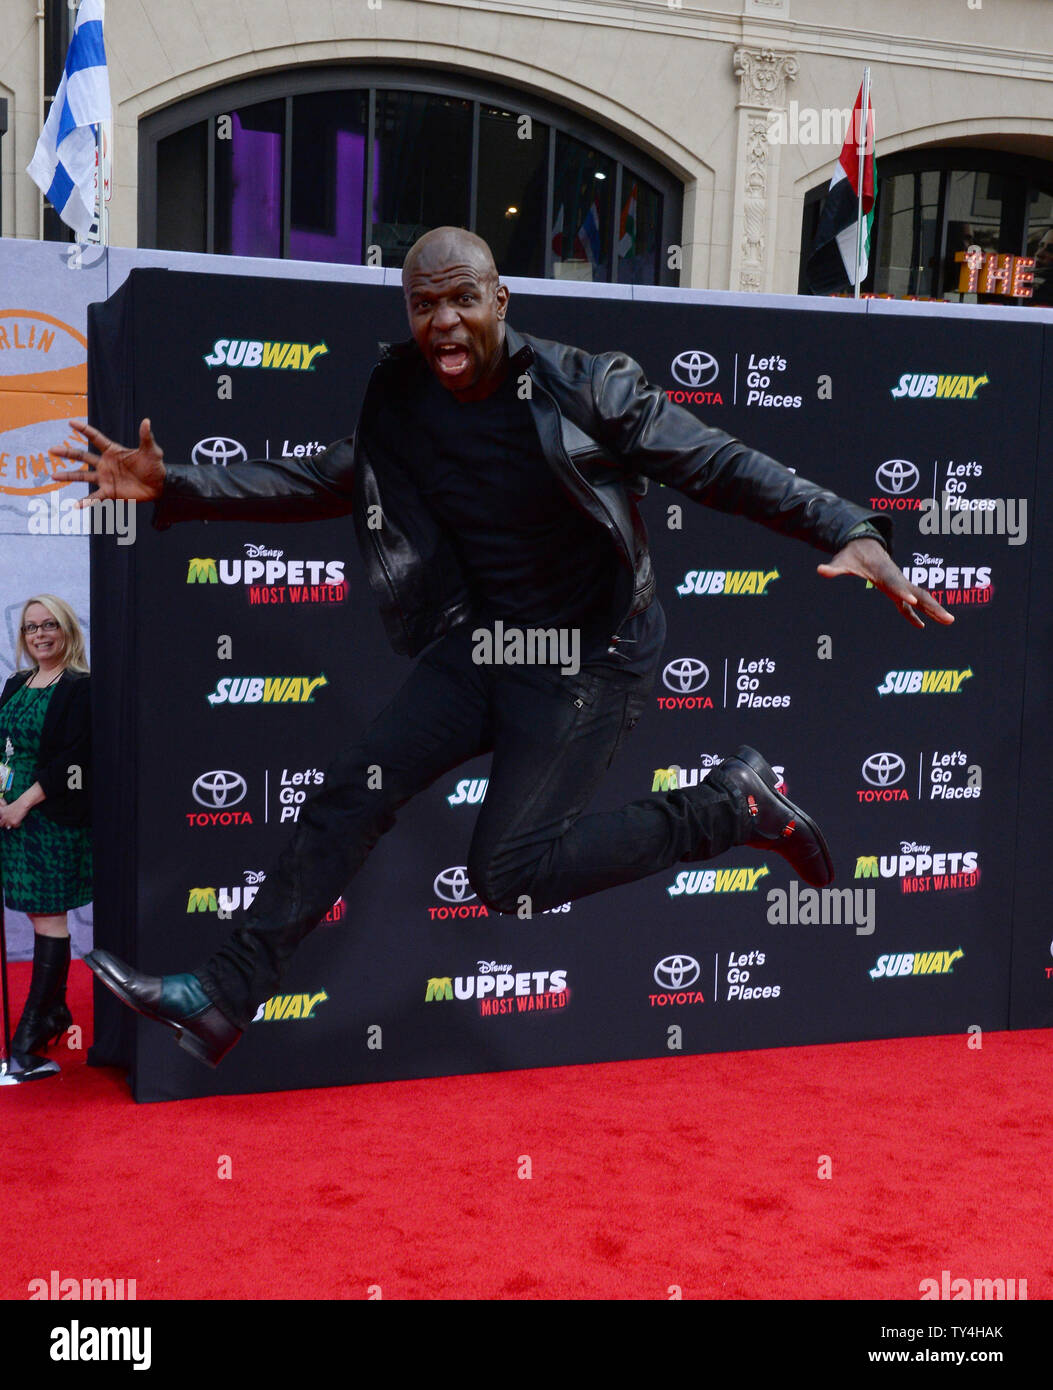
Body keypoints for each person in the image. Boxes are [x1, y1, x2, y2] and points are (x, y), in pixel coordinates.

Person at [57, 227, 952, 1069]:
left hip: (588, 656)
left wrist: (846, 524)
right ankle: (223, 997)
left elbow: (717, 461)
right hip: (484, 645)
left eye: (460, 300)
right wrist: (176, 486)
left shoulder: (586, 388)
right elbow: (328, 477)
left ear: (501, 300)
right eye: (421, 304)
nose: (441, 321)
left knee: (506, 874)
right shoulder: (403, 393)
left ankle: (729, 809)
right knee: (348, 793)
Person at [0, 595, 91, 1062]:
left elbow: (72, 761)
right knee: (36, 915)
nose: (39, 634)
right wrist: (2, 799)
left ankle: (34, 1026)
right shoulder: (16, 683)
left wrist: (23, 804)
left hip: (51, 816)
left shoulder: (79, 687)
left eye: (49, 625)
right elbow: (4, 748)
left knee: (50, 915)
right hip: (11, 815)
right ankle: (54, 1013)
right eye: (31, 627)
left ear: (67, 630)